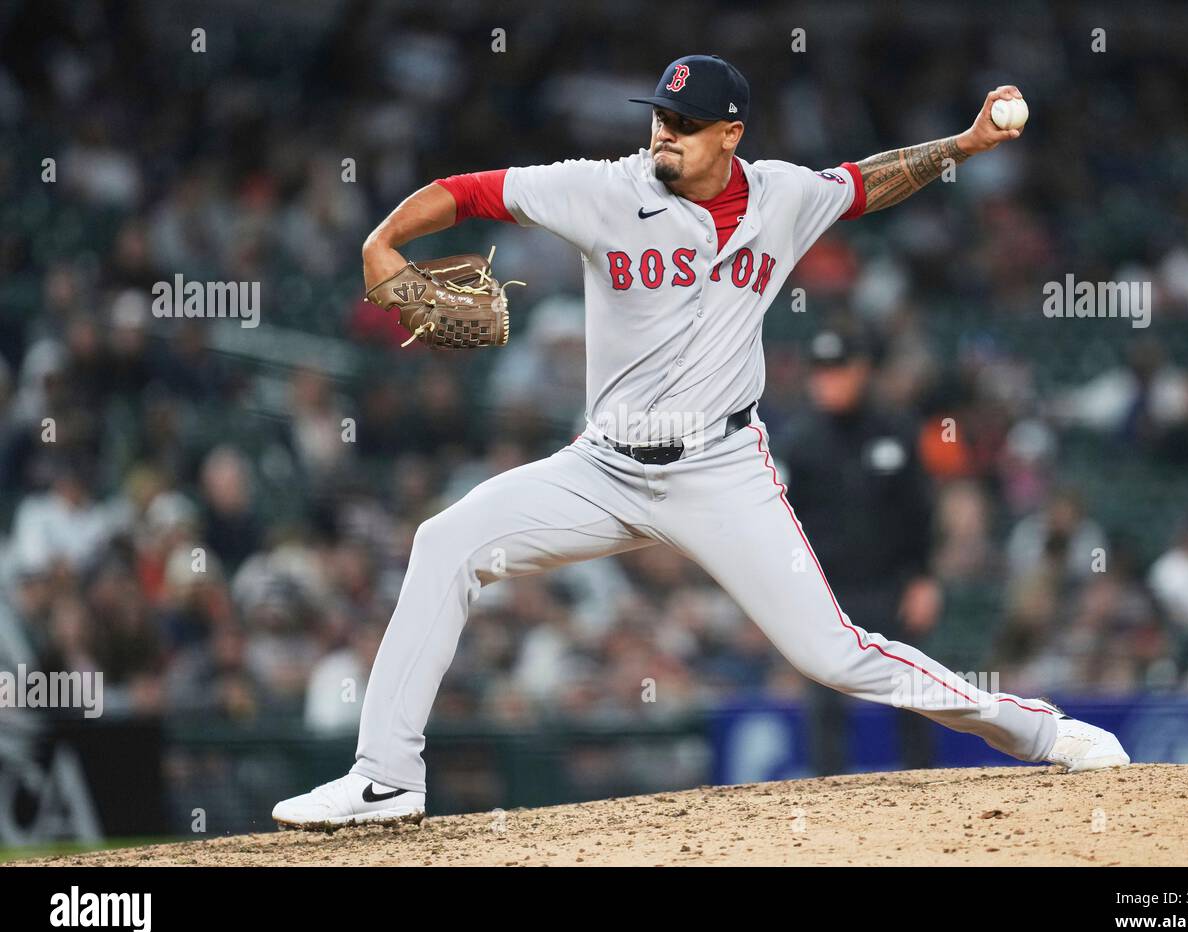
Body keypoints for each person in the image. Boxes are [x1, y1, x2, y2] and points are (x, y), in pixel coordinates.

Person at [273, 54, 1128, 829]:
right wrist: (382, 241)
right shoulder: (605, 189)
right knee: (444, 541)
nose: (664, 135)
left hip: (722, 469)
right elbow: (467, 191)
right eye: (658, 118)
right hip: (602, 465)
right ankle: (385, 779)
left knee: (835, 655)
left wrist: (969, 145)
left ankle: (1040, 733)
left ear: (731, 133)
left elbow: (866, 182)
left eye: (683, 124)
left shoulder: (782, 197)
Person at [780, 330, 942, 772]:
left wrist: (924, 578)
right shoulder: (799, 440)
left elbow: (921, 511)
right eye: (820, 373)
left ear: (861, 371)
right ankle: (830, 806)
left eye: (837, 371)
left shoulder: (897, 429)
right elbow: (781, 522)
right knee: (825, 702)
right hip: (827, 592)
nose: (827, 382)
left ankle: (928, 795)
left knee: (914, 696)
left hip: (892, 587)